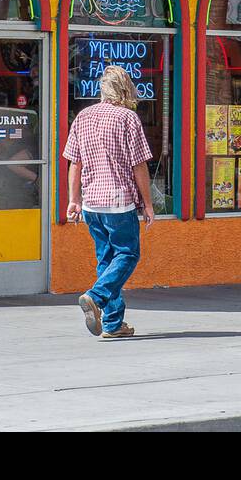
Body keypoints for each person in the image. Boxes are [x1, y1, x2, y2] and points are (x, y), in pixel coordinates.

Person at [63, 65, 154, 339]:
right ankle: (96, 296)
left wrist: (73, 200)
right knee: (127, 254)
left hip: (92, 203)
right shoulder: (128, 118)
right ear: (126, 89)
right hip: (119, 202)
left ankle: (113, 325)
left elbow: (74, 162)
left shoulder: (83, 117)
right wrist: (148, 204)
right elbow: (139, 166)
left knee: (107, 261)